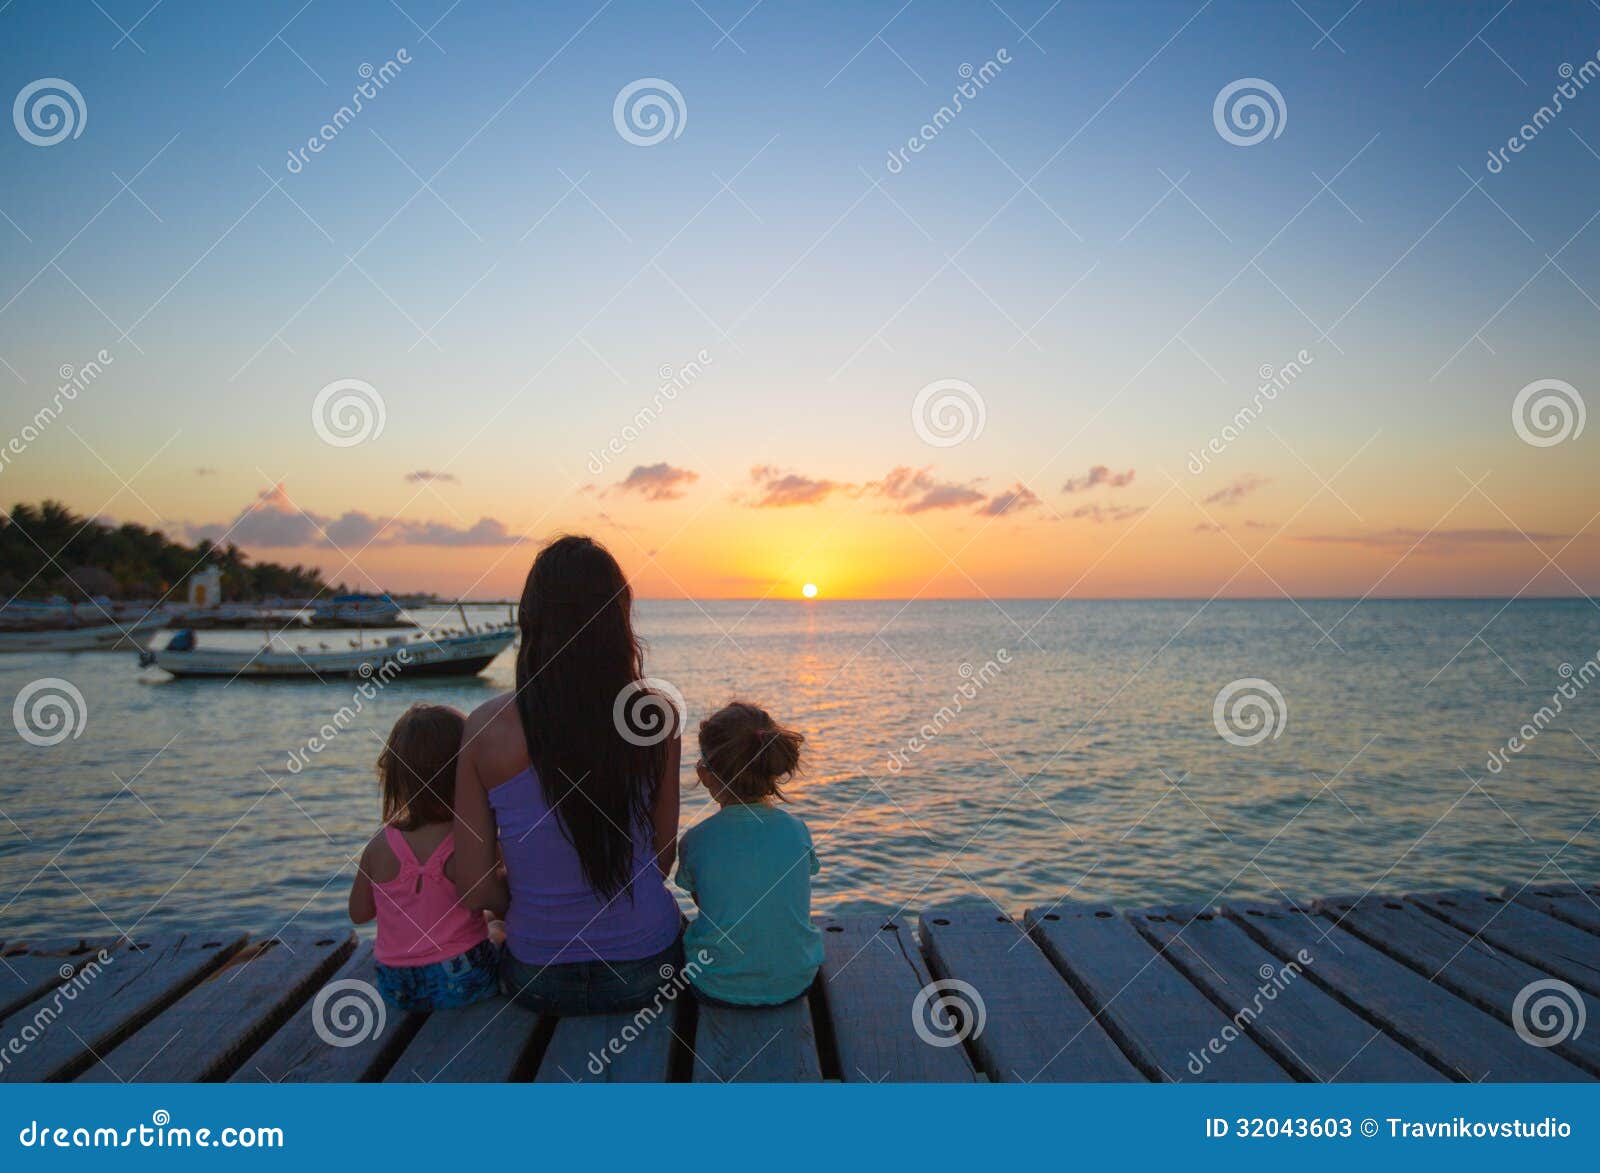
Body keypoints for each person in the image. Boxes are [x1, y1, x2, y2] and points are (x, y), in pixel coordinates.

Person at [454, 536, 684, 1015]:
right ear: (617, 621)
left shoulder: (485, 729)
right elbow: (661, 860)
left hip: (538, 979)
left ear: (532, 621)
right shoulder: (653, 717)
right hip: (646, 972)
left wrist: (534, 903)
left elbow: (474, 886)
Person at [348, 704, 503, 1010]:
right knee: (499, 929)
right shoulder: (470, 840)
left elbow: (359, 913)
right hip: (463, 979)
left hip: (396, 985)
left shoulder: (379, 845)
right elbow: (498, 902)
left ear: (396, 777)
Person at [676, 701, 823, 1006]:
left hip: (715, 986)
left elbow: (709, 907)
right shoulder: (797, 831)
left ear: (705, 774)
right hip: (796, 981)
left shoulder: (696, 840)